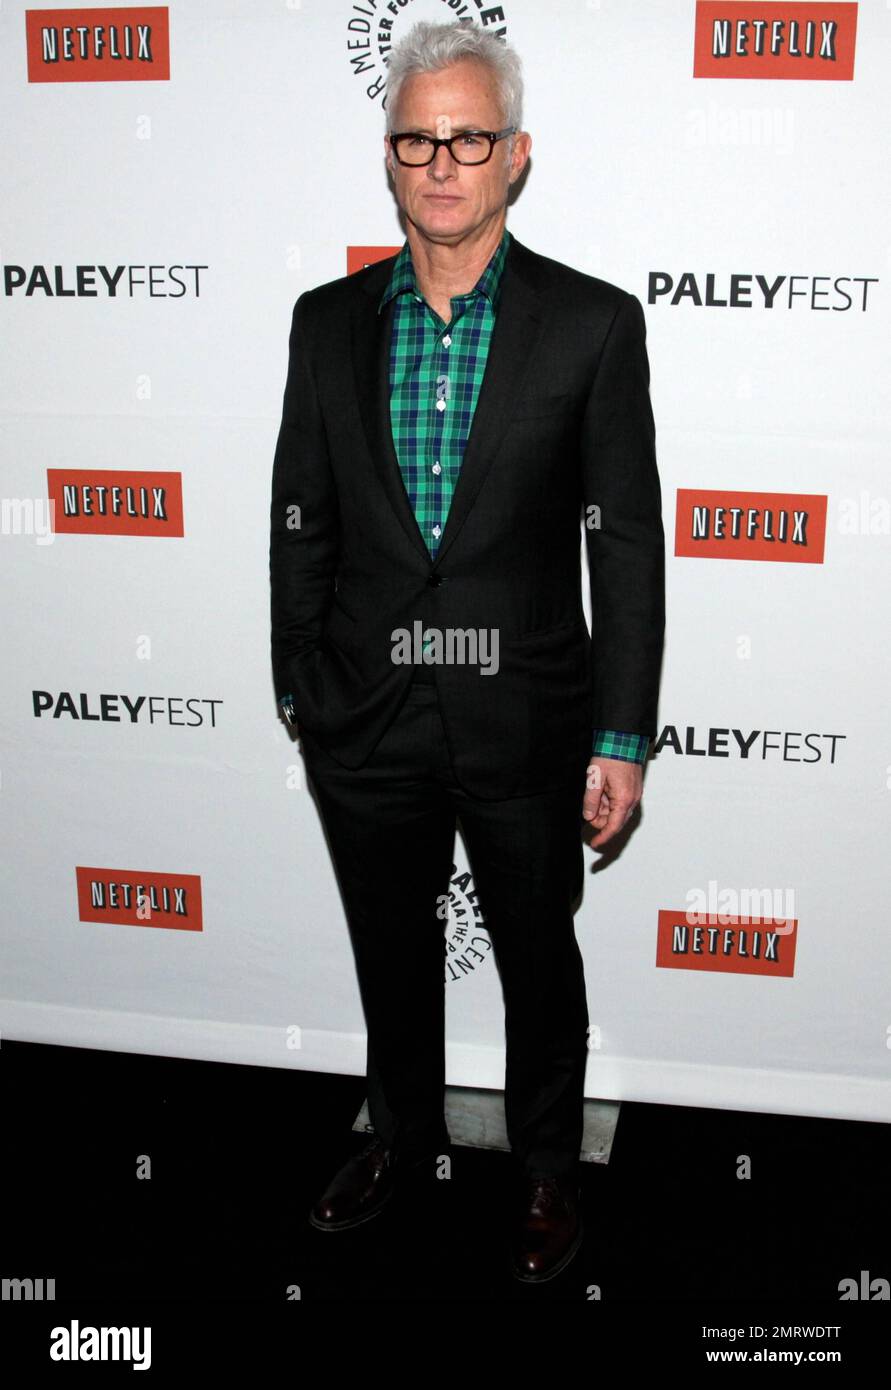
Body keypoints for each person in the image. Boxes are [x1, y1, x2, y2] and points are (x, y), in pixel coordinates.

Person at [269, 19, 664, 1283]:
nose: (442, 163)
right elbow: (302, 522)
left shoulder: (591, 328)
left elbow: (630, 550)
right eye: (417, 140)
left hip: (526, 718)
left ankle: (546, 1168)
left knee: (538, 963)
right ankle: (399, 1134)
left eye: (468, 138)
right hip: (367, 720)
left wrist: (620, 733)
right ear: (390, 158)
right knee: (390, 956)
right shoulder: (325, 324)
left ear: (516, 156)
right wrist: (303, 687)